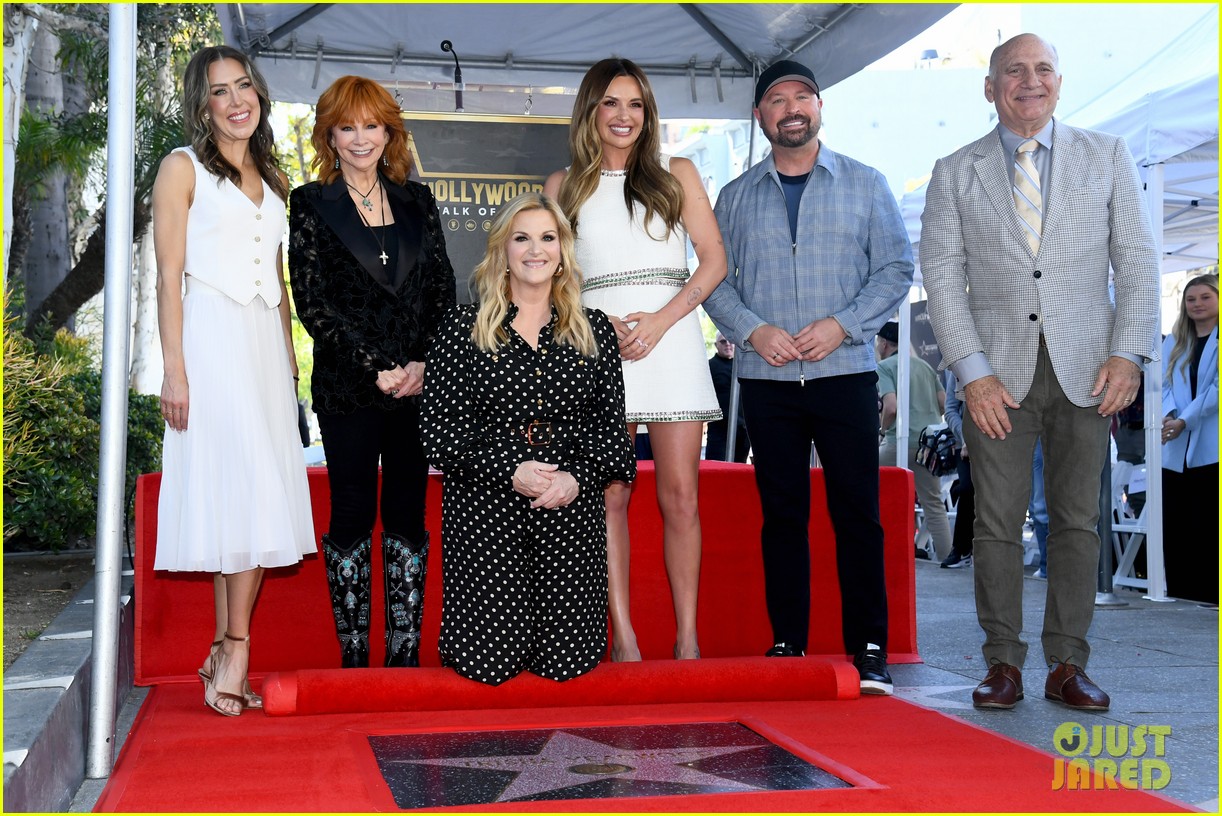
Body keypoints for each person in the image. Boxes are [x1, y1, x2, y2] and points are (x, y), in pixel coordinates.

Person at [922, 34, 1160, 712]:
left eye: (1043, 69)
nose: (1030, 81)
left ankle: (1067, 664)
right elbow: (942, 277)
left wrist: (1129, 353)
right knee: (996, 523)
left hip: (1090, 369)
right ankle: (1003, 663)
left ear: (1060, 81)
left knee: (1077, 522)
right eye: (1013, 71)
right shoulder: (954, 169)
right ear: (991, 87)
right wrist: (972, 372)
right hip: (996, 374)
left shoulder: (1106, 154)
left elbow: (1137, 262)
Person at [703, 60, 912, 695]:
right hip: (767, 382)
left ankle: (869, 647)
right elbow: (714, 280)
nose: (791, 108)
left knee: (858, 514)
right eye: (776, 100)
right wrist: (752, 330)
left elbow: (897, 269)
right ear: (761, 116)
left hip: (845, 374)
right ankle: (787, 641)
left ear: (819, 108)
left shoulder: (866, 184)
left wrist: (843, 325)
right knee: (782, 515)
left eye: (803, 97)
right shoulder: (735, 197)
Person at [544, 58, 726, 662]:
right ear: (590, 111)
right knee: (610, 496)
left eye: (636, 105)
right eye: (611, 104)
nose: (624, 117)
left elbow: (713, 262)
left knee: (681, 497)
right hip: (598, 351)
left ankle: (690, 640)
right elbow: (552, 278)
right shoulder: (562, 185)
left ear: (648, 114)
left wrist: (661, 321)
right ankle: (622, 638)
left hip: (670, 344)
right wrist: (600, 325)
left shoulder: (677, 174)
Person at [153, 45, 315, 717]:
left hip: (262, 349)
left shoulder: (276, 177)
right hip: (209, 341)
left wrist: (289, 377)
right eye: (220, 91)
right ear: (203, 105)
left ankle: (226, 644)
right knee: (235, 494)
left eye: (244, 85)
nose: (236, 99)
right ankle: (237, 648)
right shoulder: (181, 169)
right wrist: (173, 369)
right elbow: (167, 275)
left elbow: (277, 284)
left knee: (248, 494)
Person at [420, 193, 636, 685]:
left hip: (569, 519)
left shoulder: (595, 331)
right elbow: (439, 433)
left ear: (562, 251)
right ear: (503, 250)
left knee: (566, 669)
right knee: (488, 669)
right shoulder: (461, 330)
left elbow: (611, 436)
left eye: (547, 237)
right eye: (522, 238)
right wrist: (509, 468)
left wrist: (576, 479)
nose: (535, 250)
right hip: (486, 516)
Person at [289, 76, 456, 669]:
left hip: (415, 388)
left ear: (390, 132)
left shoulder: (418, 202)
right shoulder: (311, 203)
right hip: (348, 388)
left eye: (372, 125)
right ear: (329, 135)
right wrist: (376, 366)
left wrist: (421, 364)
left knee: (408, 511)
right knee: (353, 510)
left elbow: (442, 293)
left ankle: (403, 660)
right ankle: (355, 660)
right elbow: (312, 302)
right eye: (347, 126)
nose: (360, 138)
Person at [1161, 274, 1218, 605]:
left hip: (1212, 445)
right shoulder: (1175, 340)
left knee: (1208, 521)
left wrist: (1186, 418)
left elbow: (1217, 390)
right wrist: (1169, 414)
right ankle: (1182, 590)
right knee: (1178, 521)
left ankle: (1212, 593)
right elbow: (1162, 382)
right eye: (1191, 298)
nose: (1196, 304)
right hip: (1175, 445)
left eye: (1205, 297)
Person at [876, 321, 951, 561]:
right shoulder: (925, 367)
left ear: (884, 343)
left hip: (898, 441)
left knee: (869, 493)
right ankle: (947, 557)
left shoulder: (884, 367)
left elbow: (890, 407)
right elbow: (943, 403)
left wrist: (882, 429)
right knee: (934, 505)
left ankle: (887, 554)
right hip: (927, 445)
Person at [941, 369, 974, 569]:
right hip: (966, 444)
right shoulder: (957, 366)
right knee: (967, 489)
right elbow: (950, 409)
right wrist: (966, 438)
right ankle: (961, 549)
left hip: (1001, 440)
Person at [706, 333, 751, 462]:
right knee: (717, 473)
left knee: (738, 472)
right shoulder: (709, 367)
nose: (727, 345)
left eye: (730, 341)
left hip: (743, 431)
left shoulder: (744, 367)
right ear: (716, 345)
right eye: (723, 342)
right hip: (719, 430)